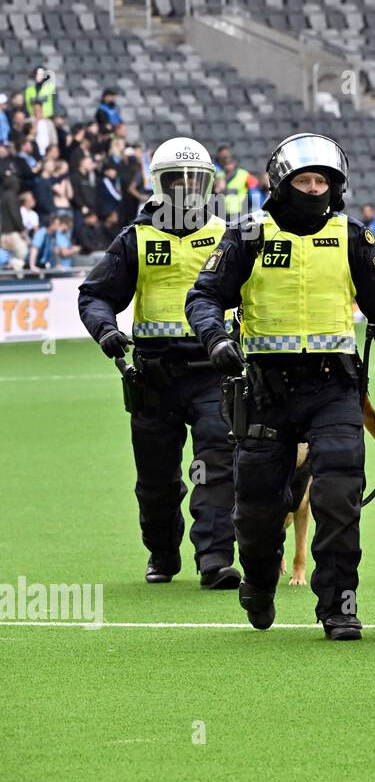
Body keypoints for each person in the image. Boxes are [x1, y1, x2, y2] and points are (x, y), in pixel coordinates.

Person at [185, 133, 375, 640]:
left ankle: (339, 607)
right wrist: (216, 340)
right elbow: (203, 298)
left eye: (322, 182)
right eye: (303, 181)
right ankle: (260, 583)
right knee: (259, 504)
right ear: (281, 185)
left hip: (334, 390)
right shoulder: (247, 235)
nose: (313, 190)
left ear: (336, 187)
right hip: (266, 391)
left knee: (337, 497)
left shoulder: (354, 237)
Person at [77, 137, 240, 587]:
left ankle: (214, 559)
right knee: (157, 481)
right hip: (154, 376)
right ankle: (163, 553)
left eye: (195, 180)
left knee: (216, 467)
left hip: (213, 373)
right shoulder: (135, 238)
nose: (186, 189)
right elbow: (95, 295)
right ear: (159, 185)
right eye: (177, 180)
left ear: (207, 185)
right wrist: (106, 331)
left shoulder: (227, 235)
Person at [216, 146, 259, 219]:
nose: (227, 163)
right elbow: (217, 189)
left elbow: (255, 185)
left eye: (230, 161)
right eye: (225, 162)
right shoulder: (219, 174)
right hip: (222, 214)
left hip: (240, 214)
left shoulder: (243, 174)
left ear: (234, 162)